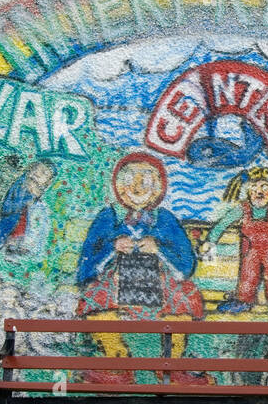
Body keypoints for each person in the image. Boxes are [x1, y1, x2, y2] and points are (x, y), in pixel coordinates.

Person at [76, 152, 207, 384]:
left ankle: (172, 365)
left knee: (181, 309)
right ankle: (116, 365)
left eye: (145, 180)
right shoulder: (108, 217)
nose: (137, 186)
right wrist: (112, 247)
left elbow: (186, 263)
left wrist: (159, 250)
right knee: (100, 309)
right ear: (118, 186)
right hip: (115, 286)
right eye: (129, 179)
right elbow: (86, 261)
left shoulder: (165, 220)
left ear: (157, 188)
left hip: (161, 285)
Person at [201, 165, 268, 315]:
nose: (259, 191)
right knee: (248, 276)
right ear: (248, 190)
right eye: (254, 187)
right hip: (250, 253)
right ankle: (243, 301)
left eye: (265, 187)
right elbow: (223, 223)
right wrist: (211, 240)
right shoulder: (242, 209)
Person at [0, 161, 54, 256]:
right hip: (13, 223)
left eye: (44, 173)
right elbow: (10, 205)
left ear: (48, 181)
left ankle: (24, 248)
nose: (38, 173)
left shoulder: (40, 205)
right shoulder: (19, 186)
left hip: (25, 229)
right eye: (36, 168)